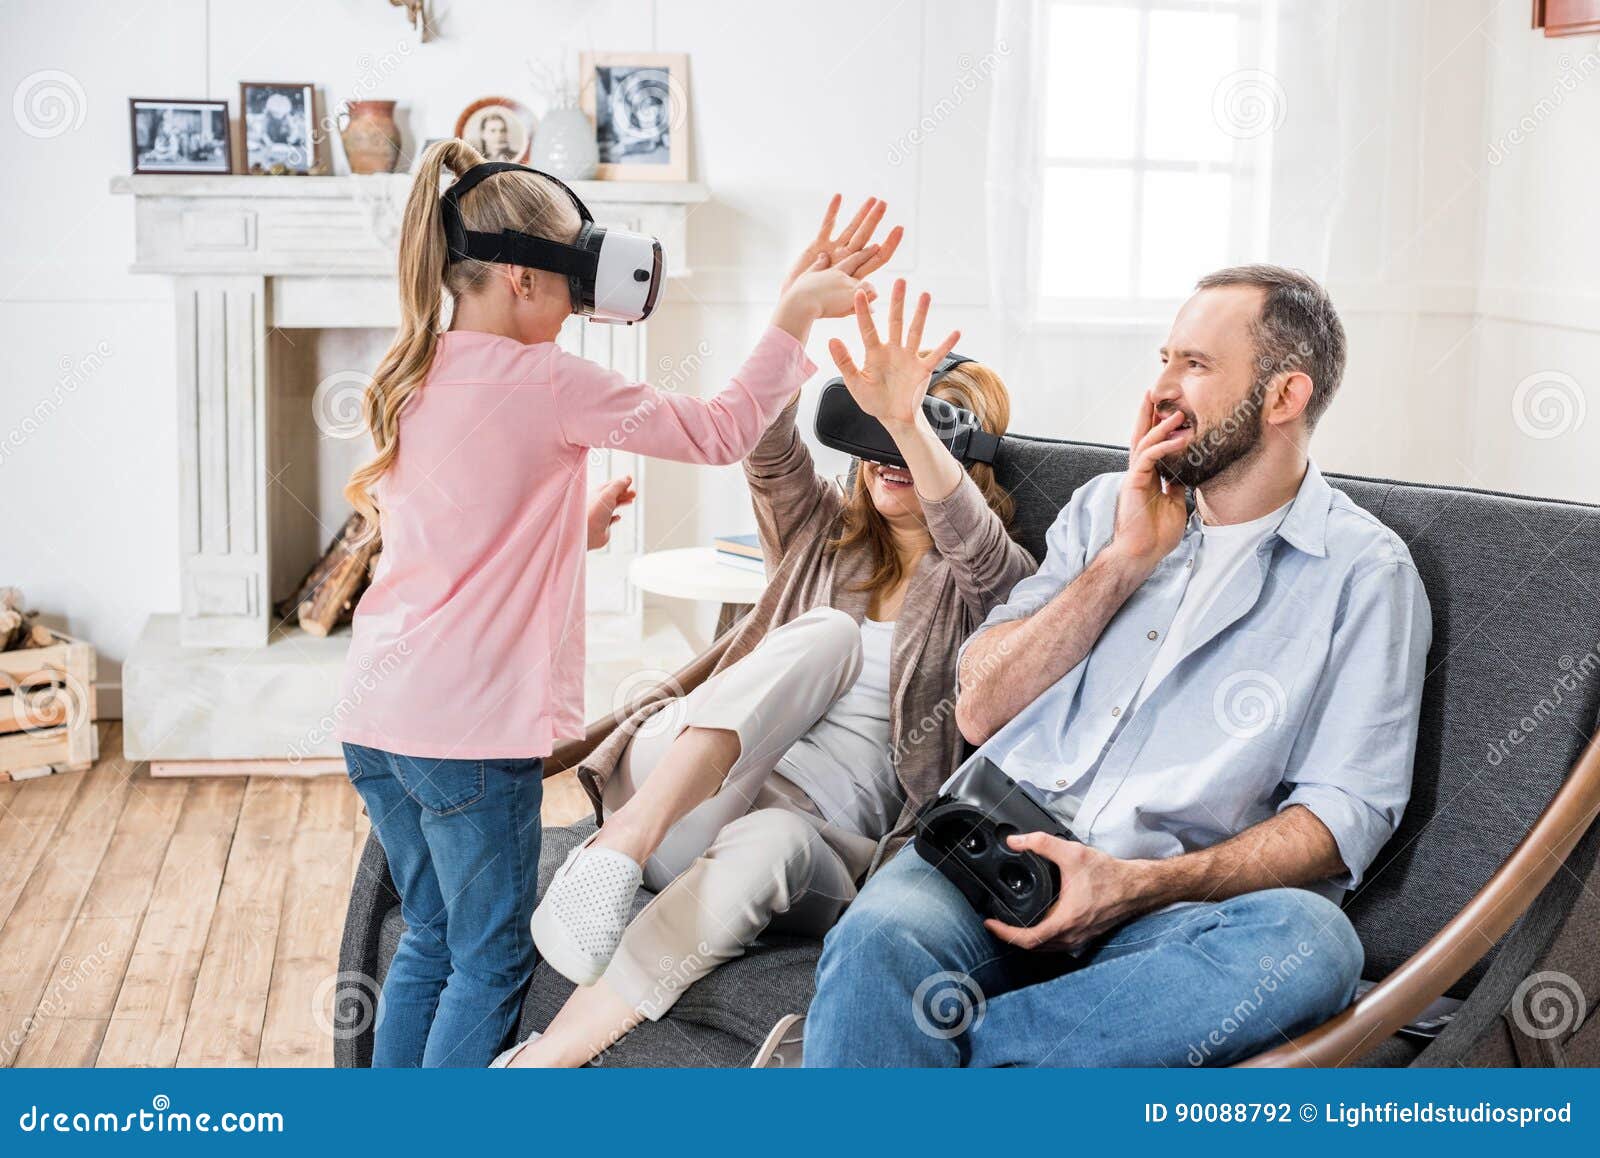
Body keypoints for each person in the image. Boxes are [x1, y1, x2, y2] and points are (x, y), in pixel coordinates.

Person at [335, 142, 887, 1068]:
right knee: (489, 958)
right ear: (519, 278)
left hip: (377, 718)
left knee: (428, 933)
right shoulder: (547, 379)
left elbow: (448, 529)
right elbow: (718, 432)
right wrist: (789, 314)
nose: (580, 310)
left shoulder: (414, 368)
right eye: (570, 287)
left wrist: (568, 525)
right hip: (468, 735)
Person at [802, 265, 1433, 1067]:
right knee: (880, 942)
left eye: (1196, 366)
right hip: (997, 853)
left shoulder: (1365, 574)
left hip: (1167, 908)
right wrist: (1125, 562)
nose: (1162, 388)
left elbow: (1344, 816)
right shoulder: (1106, 508)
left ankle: (947, 1065)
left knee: (1313, 944)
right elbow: (978, 708)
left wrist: (1132, 886)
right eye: (1165, 358)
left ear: (1285, 397)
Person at [496, 248, 1036, 1067]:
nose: (888, 452)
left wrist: (905, 420)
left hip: (808, 843)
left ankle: (539, 1063)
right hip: (680, 793)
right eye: (877, 427)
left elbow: (980, 552)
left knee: (775, 840)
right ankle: (615, 852)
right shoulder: (820, 531)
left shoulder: (997, 588)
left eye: (921, 429)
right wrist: (791, 315)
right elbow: (766, 444)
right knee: (828, 634)